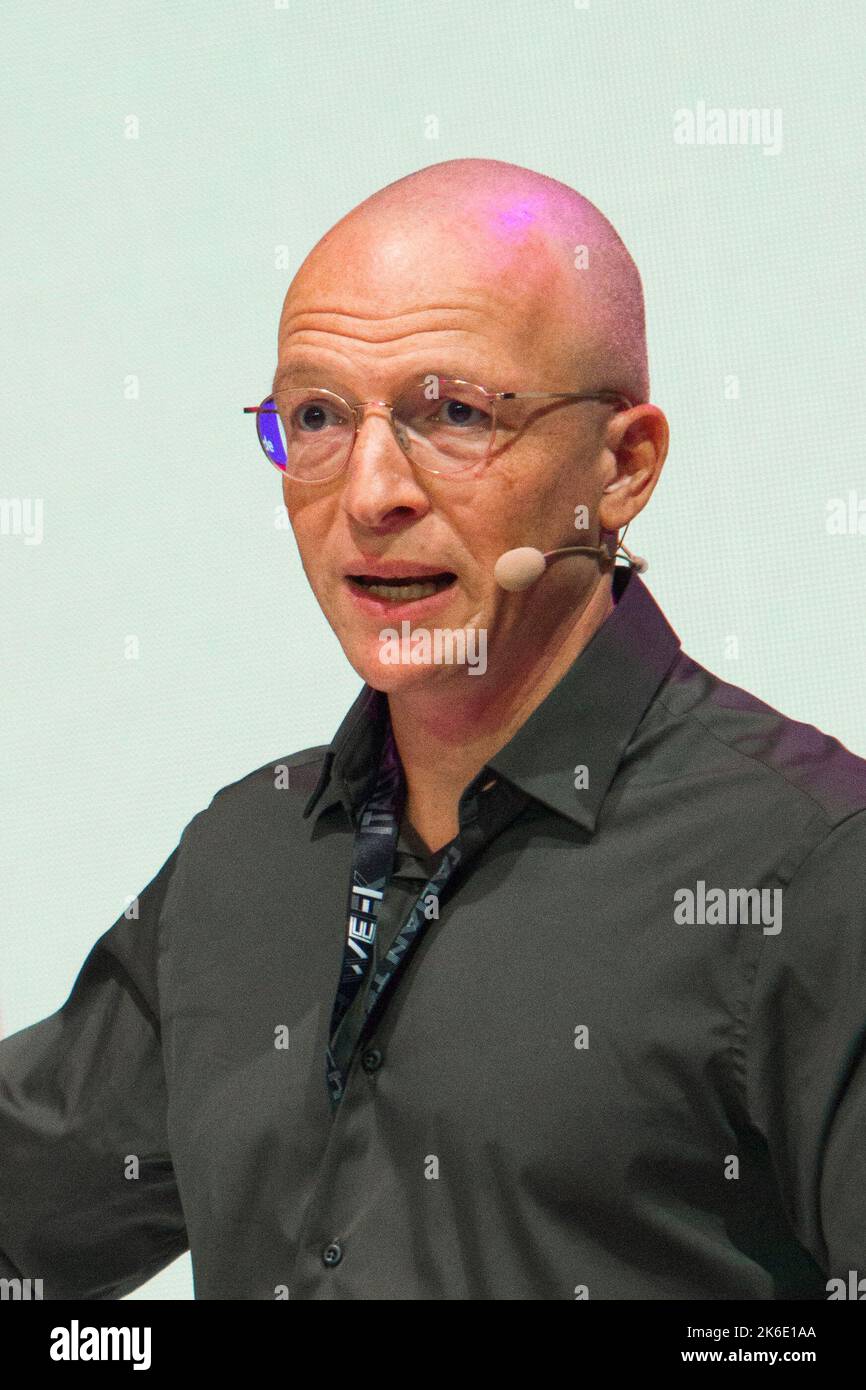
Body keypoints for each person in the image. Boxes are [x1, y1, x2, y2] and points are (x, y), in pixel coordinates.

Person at [2, 158, 865, 1301]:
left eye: (452, 413)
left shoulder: (809, 872)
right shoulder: (246, 858)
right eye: (314, 416)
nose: (368, 493)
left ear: (621, 466)